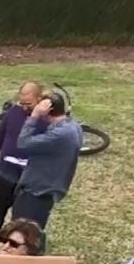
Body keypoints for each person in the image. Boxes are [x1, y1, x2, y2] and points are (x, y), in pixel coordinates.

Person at [0, 82, 43, 248]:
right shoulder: (14, 112)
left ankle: (18, 248)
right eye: (22, 103)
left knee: (22, 219)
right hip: (6, 171)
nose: (25, 107)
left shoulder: (47, 119)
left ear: (39, 99)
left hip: (29, 175)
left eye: (29, 104)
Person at [11, 89, 83, 230]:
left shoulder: (59, 134)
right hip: (46, 189)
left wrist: (34, 117)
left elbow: (23, 143)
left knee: (22, 232)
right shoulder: (73, 127)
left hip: (37, 191)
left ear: (47, 109)